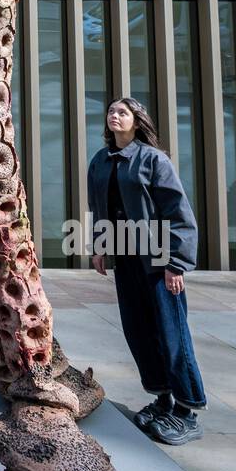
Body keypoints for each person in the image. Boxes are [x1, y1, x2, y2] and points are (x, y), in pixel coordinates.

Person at [87, 97, 207, 446]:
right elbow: (99, 209)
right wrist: (100, 246)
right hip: (127, 257)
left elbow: (178, 211)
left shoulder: (153, 160)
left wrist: (176, 263)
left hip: (158, 259)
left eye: (122, 111)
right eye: (111, 110)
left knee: (171, 332)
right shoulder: (101, 161)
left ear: (137, 121)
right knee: (138, 329)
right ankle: (162, 399)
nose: (114, 115)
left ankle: (187, 410)